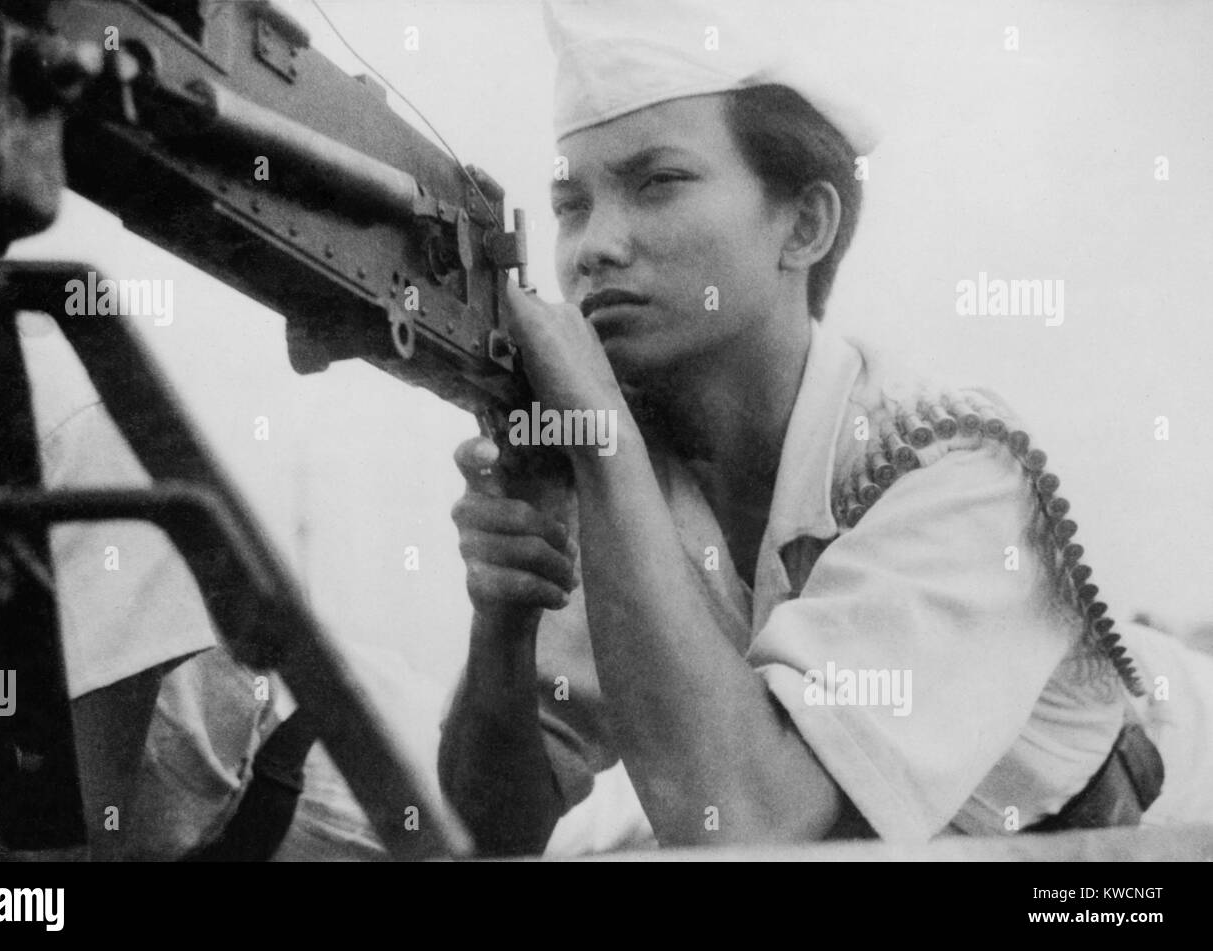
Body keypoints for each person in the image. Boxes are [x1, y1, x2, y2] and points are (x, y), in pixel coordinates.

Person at [438, 0, 1213, 856]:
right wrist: (502, 625)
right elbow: (493, 829)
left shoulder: (958, 467)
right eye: (571, 203)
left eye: (657, 182)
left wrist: (600, 438)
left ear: (805, 225)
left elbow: (752, 826)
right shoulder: (636, 473)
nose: (594, 247)